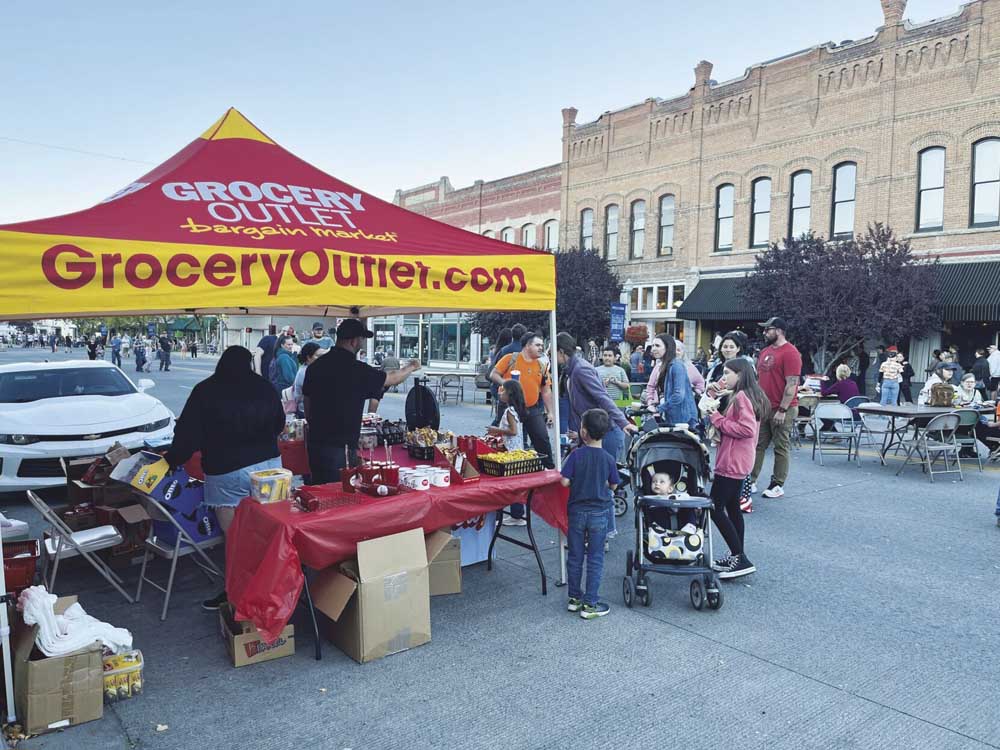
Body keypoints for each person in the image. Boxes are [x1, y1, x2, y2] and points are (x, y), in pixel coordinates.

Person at [164, 346, 286, 611]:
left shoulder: (206, 390)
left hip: (228, 472)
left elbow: (188, 435)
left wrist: (172, 459)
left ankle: (237, 594)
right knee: (270, 530)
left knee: (235, 538)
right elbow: (280, 424)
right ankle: (275, 586)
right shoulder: (264, 387)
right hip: (269, 468)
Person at [303, 319, 420, 484]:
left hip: (315, 444)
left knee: (320, 490)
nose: (362, 344)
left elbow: (307, 404)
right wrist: (411, 367)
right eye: (362, 340)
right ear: (354, 340)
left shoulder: (315, 367)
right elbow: (392, 378)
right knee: (340, 494)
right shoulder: (356, 368)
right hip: (341, 447)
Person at [557, 333, 639, 535]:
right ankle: (592, 532)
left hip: (604, 431)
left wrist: (622, 422)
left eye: (552, 352)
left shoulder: (581, 370)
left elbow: (602, 398)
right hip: (590, 431)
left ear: (561, 352)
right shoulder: (571, 369)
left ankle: (605, 532)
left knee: (602, 486)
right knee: (592, 483)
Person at [704, 357, 767, 579]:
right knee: (732, 509)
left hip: (732, 461)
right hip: (740, 460)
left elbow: (746, 429)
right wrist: (713, 394)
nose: (724, 377)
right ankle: (736, 555)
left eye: (728, 373)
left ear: (740, 375)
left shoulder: (741, 397)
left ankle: (740, 557)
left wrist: (716, 419)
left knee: (715, 507)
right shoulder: (747, 394)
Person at [491, 331, 556, 523]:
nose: (541, 348)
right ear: (527, 345)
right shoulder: (510, 359)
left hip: (533, 408)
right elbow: (493, 374)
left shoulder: (542, 365)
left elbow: (546, 389)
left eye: (542, 346)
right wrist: (507, 384)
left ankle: (550, 479)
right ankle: (515, 502)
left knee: (542, 441)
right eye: (537, 345)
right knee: (513, 446)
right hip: (512, 406)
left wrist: (550, 412)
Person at [560, 408, 618, 619]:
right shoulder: (608, 458)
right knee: (595, 558)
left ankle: (574, 599)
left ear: (583, 432)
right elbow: (613, 486)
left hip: (576, 512)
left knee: (575, 556)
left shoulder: (576, 455)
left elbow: (564, 481)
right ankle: (590, 604)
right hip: (599, 514)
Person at [750, 317, 802, 499]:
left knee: (781, 447)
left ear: (779, 330)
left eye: (768, 330)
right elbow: (759, 380)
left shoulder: (791, 353)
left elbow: (792, 385)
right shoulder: (765, 351)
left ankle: (777, 484)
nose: (764, 333)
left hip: (782, 408)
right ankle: (751, 480)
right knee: (757, 445)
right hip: (764, 406)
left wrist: (782, 409)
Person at [645, 334, 699, 430]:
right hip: (673, 416)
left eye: (657, 346)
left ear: (668, 347)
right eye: (652, 346)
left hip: (684, 418)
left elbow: (678, 395)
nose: (653, 349)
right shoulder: (665, 365)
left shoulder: (677, 365)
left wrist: (659, 408)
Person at [487, 379, 526, 451]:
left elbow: (513, 431)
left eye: (503, 390)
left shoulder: (509, 411)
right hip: (517, 447)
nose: (500, 393)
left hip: (510, 448)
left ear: (510, 393)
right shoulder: (515, 409)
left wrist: (496, 430)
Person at [291, 341, 323, 417]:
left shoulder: (312, 369)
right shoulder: (304, 372)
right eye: (317, 356)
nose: (321, 358)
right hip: (305, 412)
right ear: (308, 357)